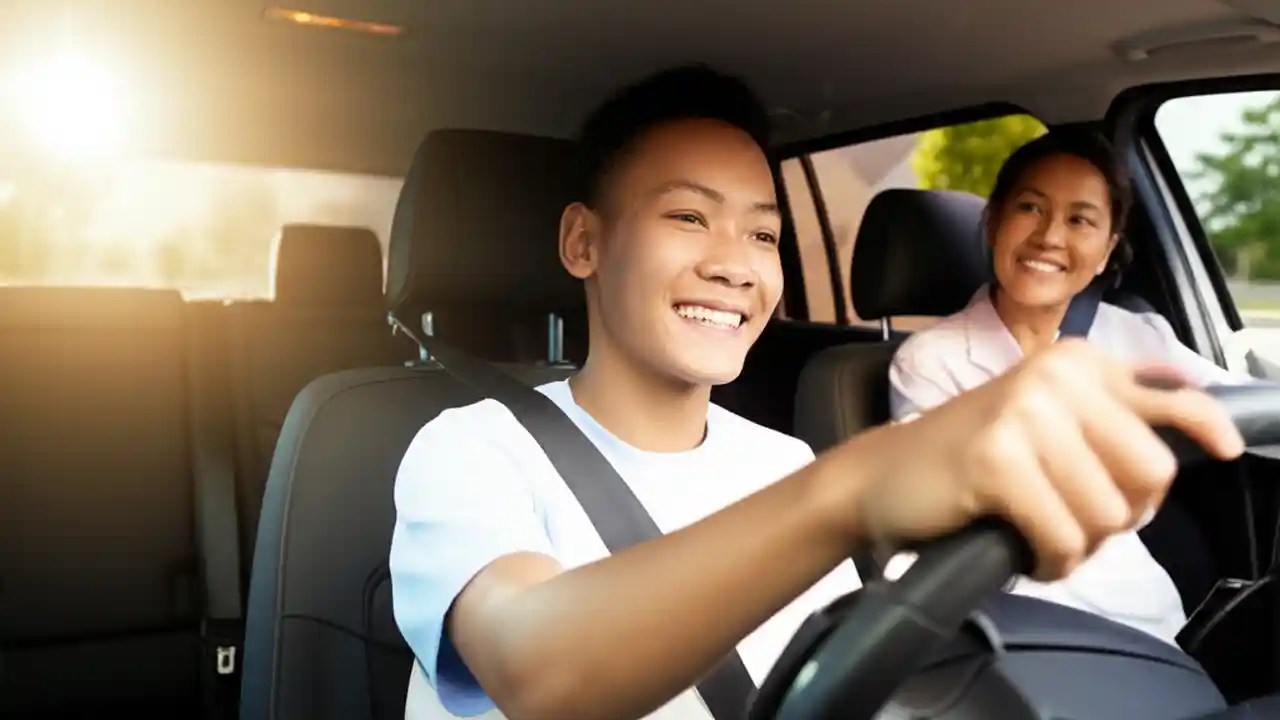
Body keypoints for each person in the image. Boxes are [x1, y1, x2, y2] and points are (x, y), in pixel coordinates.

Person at [390, 68, 1243, 720]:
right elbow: (536, 666)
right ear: (584, 242)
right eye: (688, 217)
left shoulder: (780, 459)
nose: (735, 262)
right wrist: (851, 488)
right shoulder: (470, 447)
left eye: (764, 232)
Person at [888, 129, 1241, 645]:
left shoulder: (1134, 335)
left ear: (1105, 252)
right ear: (993, 223)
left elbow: (1239, 406)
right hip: (1025, 630)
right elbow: (937, 518)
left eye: (1080, 219)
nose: (1050, 236)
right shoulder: (929, 361)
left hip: (1155, 624)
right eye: (1031, 208)